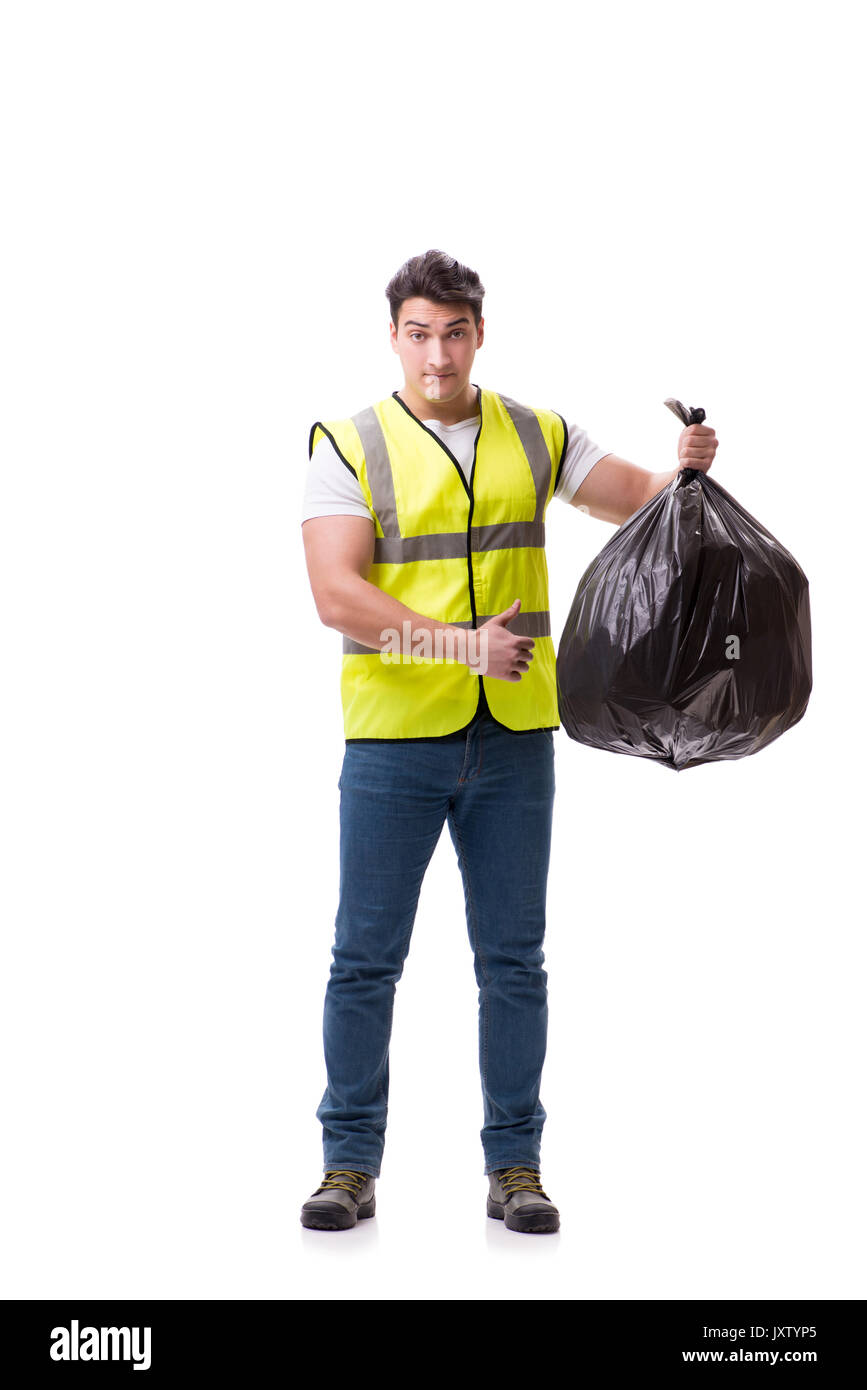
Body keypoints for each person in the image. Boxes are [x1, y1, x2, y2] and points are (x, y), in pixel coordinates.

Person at [299, 250, 717, 1234]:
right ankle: (347, 1167)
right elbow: (334, 594)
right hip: (395, 742)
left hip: (518, 738)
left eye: (452, 332)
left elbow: (631, 496)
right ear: (392, 335)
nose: (435, 355)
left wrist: (682, 473)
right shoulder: (347, 443)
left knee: (514, 962)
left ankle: (517, 1168)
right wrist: (461, 646)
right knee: (364, 959)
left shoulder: (536, 430)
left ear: (480, 333)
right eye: (417, 333)